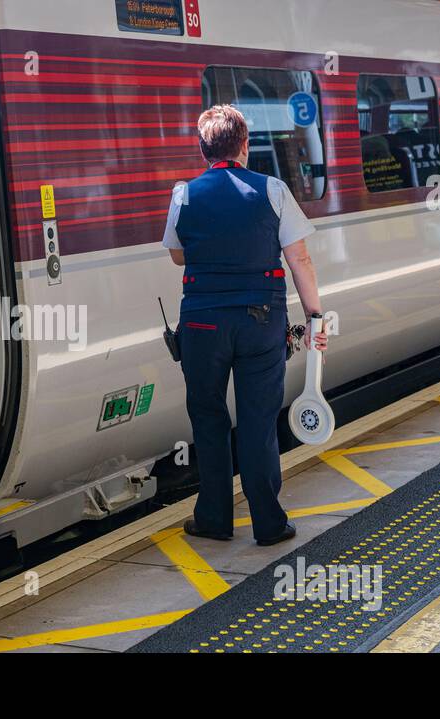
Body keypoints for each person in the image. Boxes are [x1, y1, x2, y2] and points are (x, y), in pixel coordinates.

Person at [162, 104, 327, 545]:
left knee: (209, 418)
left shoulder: (184, 194)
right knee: (257, 421)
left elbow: (178, 255)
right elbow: (300, 259)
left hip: (201, 327)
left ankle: (214, 520)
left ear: (203, 149)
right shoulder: (273, 190)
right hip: (261, 322)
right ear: (245, 146)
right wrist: (313, 316)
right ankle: (269, 524)